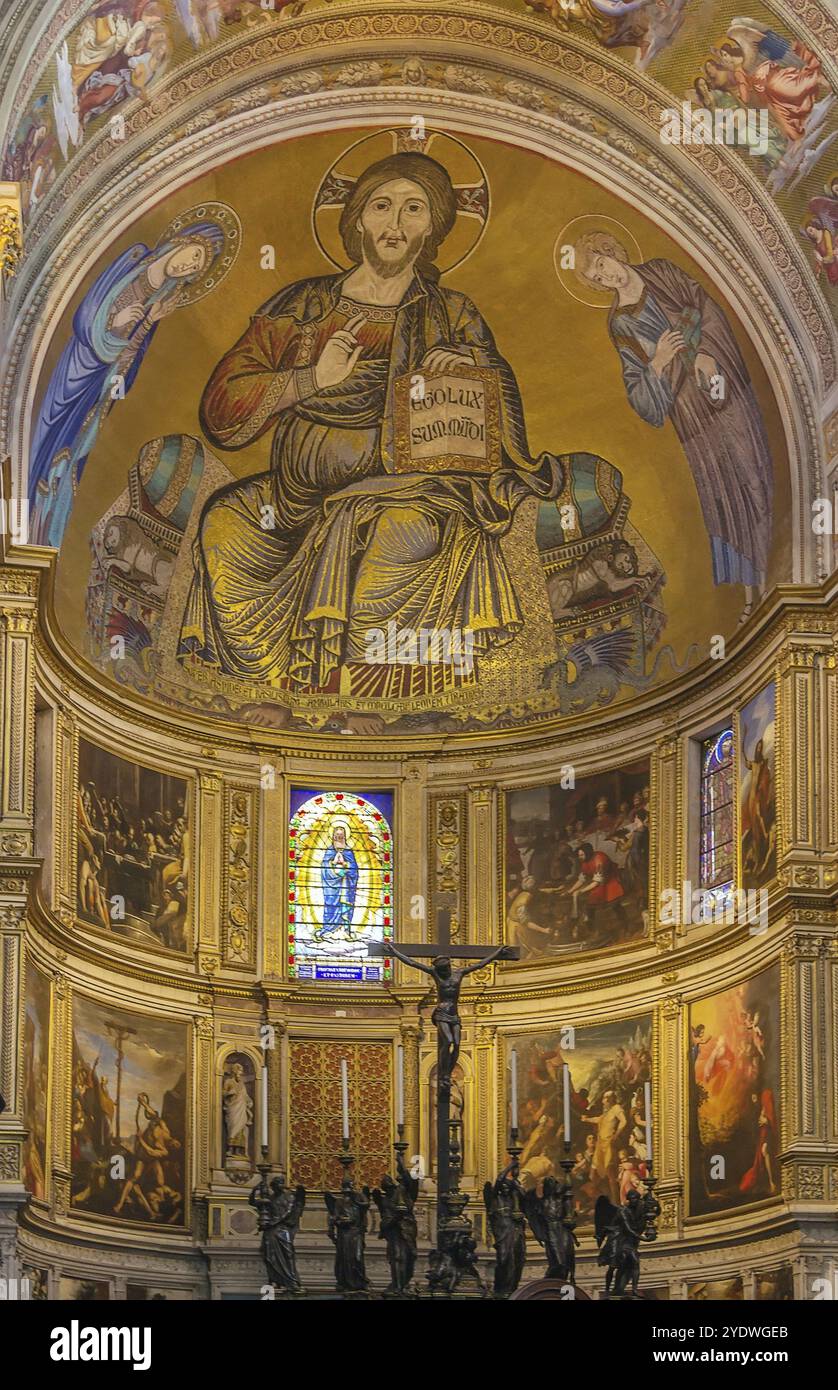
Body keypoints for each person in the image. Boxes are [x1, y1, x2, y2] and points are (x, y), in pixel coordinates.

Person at [179, 150, 565, 705]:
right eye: (381, 206)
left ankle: (376, 702)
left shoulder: (451, 312)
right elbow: (223, 407)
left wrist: (471, 373)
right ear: (357, 218)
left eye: (414, 210)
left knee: (402, 533)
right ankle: (269, 693)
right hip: (293, 500)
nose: (394, 223)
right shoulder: (302, 303)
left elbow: (500, 419)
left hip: (413, 489)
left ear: (432, 228)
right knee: (223, 522)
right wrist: (311, 378)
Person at [573, 231, 773, 618]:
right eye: (596, 279)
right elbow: (640, 396)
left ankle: (774, 571)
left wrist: (706, 353)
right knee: (722, 494)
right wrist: (659, 361)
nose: (605, 277)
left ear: (611, 251)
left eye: (601, 265)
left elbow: (705, 307)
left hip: (721, 386)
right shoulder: (620, 326)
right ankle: (752, 596)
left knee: (751, 473)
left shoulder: (662, 272)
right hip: (690, 415)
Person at [29, 219, 226, 547]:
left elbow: (131, 357)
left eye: (197, 267)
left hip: (97, 385)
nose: (189, 265)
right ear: (183, 240)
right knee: (48, 439)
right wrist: (112, 322)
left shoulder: (160, 301)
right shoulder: (135, 258)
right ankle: (31, 502)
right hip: (78, 365)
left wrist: (150, 319)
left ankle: (42, 525)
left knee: (70, 453)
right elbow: (85, 313)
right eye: (194, 254)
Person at [316, 823, 359, 940]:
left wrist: (346, 864)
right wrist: (333, 863)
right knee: (331, 906)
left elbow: (355, 870)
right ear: (333, 837)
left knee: (345, 906)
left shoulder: (349, 852)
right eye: (337, 836)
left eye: (341, 836)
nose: (339, 838)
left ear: (345, 837)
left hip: (346, 886)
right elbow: (324, 868)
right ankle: (328, 930)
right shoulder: (329, 851)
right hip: (332, 888)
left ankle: (345, 930)